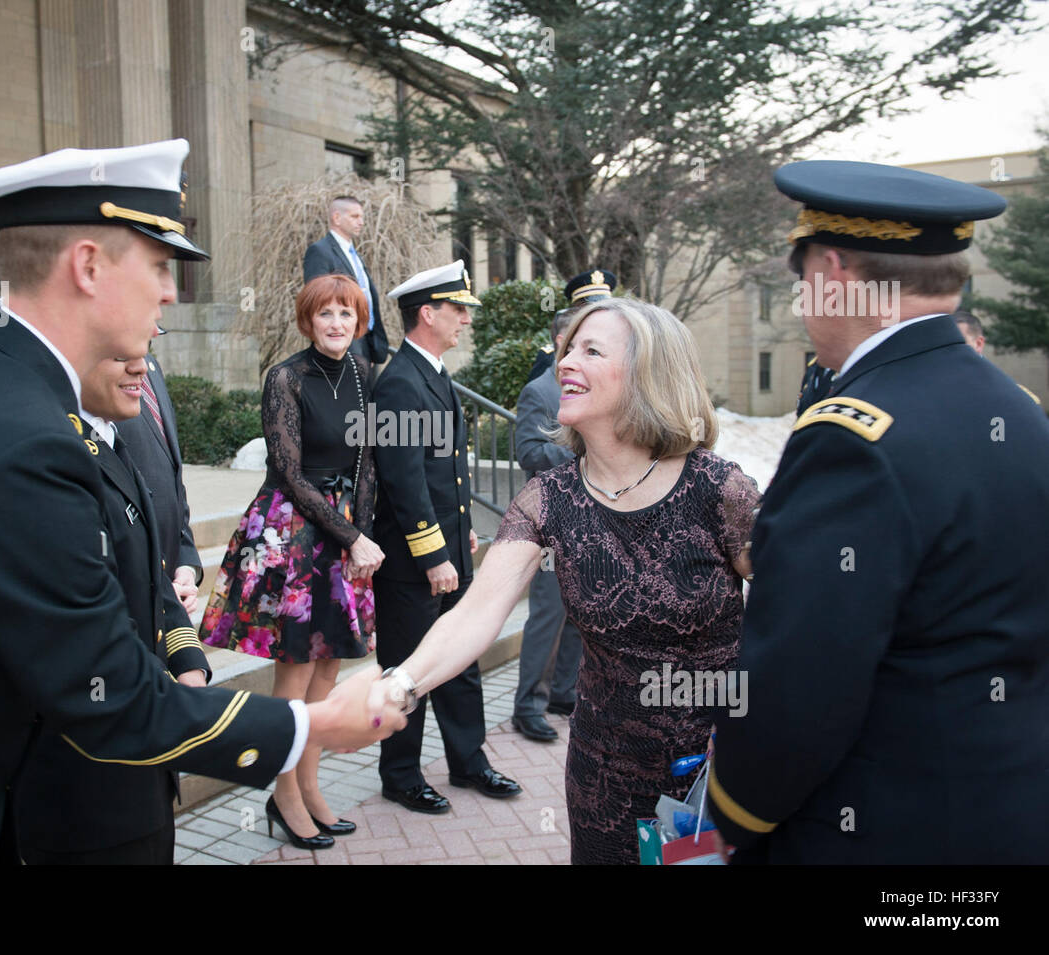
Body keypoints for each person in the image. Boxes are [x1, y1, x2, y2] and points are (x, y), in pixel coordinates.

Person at [0, 140, 403, 864]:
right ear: (87, 265)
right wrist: (313, 725)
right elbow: (112, 700)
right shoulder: (20, 437)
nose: (170, 293)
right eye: (158, 266)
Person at [707, 160, 1049, 864]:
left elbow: (801, 682)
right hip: (1005, 809)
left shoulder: (853, 436)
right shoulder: (1020, 413)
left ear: (833, 273)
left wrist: (730, 814)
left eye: (803, 284)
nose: (804, 303)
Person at [373, 296, 760, 862]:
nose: (565, 363)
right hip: (603, 775)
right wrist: (401, 683)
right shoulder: (549, 499)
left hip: (714, 775)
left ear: (648, 373)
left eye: (592, 350)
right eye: (568, 348)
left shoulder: (720, 491)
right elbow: (478, 612)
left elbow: (796, 613)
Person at [201, 273, 384, 850]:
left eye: (347, 315)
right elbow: (288, 470)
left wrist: (364, 540)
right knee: (297, 675)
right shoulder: (286, 378)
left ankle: (310, 788)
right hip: (293, 535)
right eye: (326, 314)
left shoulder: (364, 377)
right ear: (309, 320)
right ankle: (282, 795)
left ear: (359, 323)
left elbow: (368, 468)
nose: (337, 324)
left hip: (345, 535)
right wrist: (349, 535)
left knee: (328, 677)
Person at [14, 353, 207, 864]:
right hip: (92, 767)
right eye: (123, 356)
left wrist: (188, 663)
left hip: (143, 754)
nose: (141, 370)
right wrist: (275, 731)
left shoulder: (110, 438)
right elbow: (89, 625)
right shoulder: (53, 454)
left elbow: (151, 574)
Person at [371, 261, 522, 814]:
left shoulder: (432, 373)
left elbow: (446, 473)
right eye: (457, 309)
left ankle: (468, 761)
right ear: (427, 313)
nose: (465, 319)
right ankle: (401, 774)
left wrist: (461, 539)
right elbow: (404, 481)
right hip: (414, 563)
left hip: (448, 550)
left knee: (461, 660)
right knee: (409, 667)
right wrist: (434, 553)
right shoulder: (398, 382)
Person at [511, 304, 582, 743]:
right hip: (552, 520)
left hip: (589, 521)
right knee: (548, 613)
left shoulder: (590, 388)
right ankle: (527, 705)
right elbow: (530, 454)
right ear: (561, 342)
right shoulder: (539, 391)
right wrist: (586, 451)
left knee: (575, 615)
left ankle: (563, 693)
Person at [117, 337, 205, 615]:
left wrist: (187, 565)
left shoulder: (150, 366)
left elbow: (171, 477)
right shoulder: (99, 377)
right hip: (131, 589)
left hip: (168, 582)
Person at [303, 195, 389, 366]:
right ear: (336, 218)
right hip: (341, 346)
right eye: (355, 216)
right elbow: (317, 302)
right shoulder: (320, 251)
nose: (361, 222)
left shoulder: (355, 256)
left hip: (366, 343)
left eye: (362, 217)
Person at [524, 270, 618, 383]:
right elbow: (538, 394)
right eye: (589, 312)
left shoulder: (619, 350)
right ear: (576, 314)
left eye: (604, 310)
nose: (599, 317)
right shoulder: (550, 357)